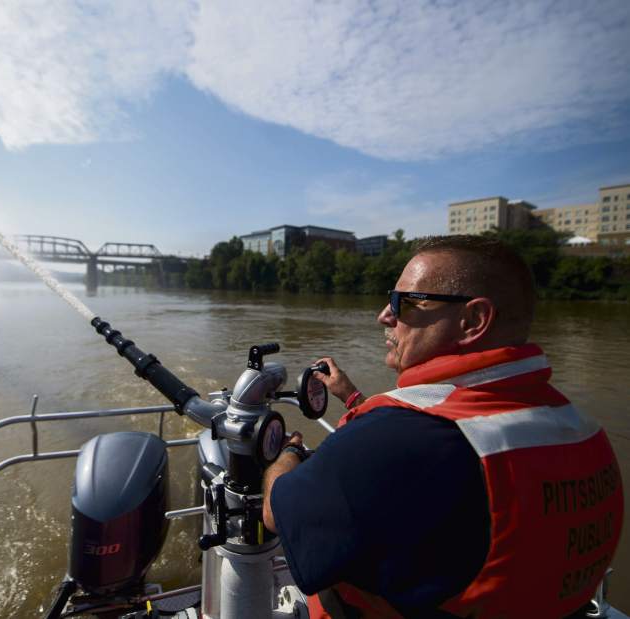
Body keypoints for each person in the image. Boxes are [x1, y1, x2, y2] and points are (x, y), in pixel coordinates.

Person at [262, 235, 624, 618]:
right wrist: (352, 397)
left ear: (472, 321)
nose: (384, 316)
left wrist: (288, 453)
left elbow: (275, 512)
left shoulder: (400, 440)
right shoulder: (583, 431)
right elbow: (453, 435)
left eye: (404, 303)